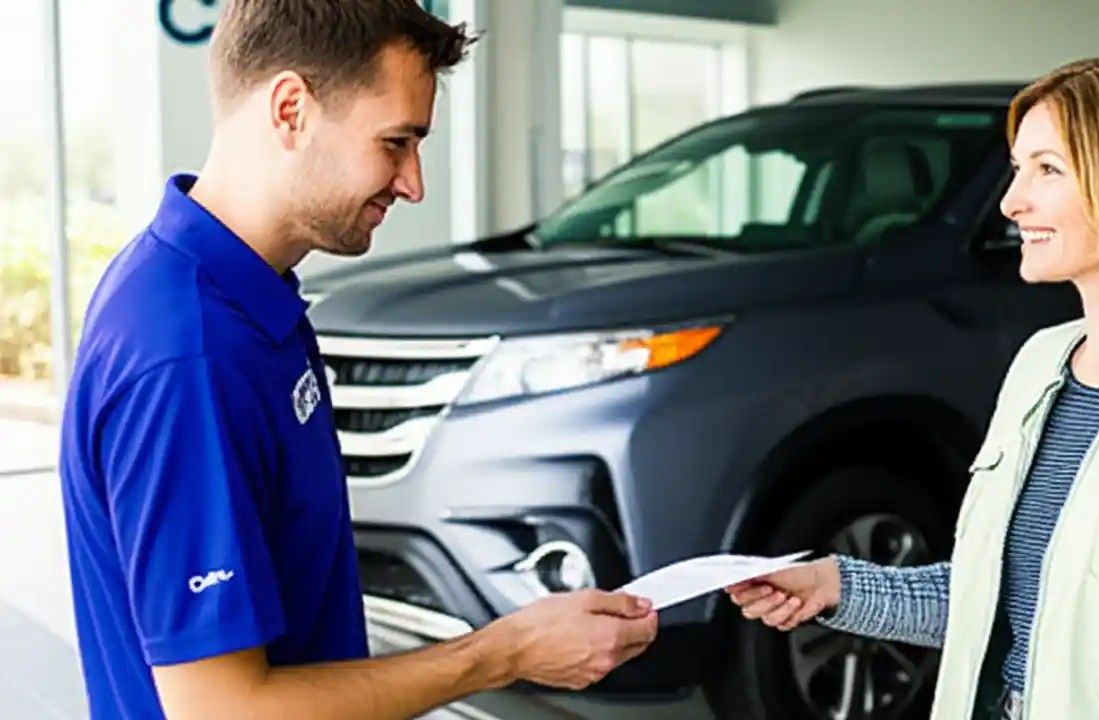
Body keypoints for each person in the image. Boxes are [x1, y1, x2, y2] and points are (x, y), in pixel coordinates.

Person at [57, 2, 657, 719]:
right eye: (396, 142)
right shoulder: (189, 354)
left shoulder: (245, 295)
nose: (413, 183)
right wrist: (504, 652)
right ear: (290, 110)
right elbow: (222, 709)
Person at [727, 46, 1099, 720]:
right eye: (1020, 170)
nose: (1013, 203)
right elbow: (1000, 600)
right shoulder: (1041, 363)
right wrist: (832, 584)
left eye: (1046, 170)